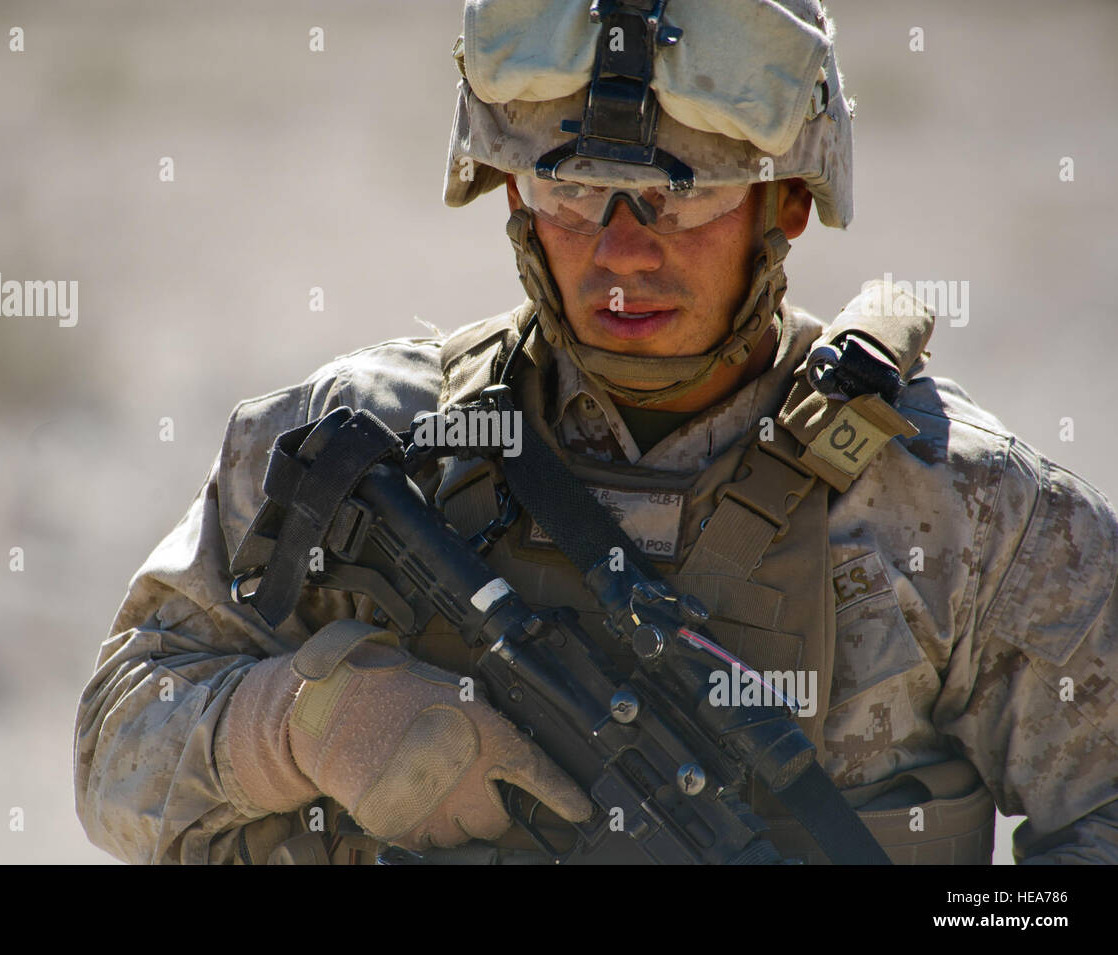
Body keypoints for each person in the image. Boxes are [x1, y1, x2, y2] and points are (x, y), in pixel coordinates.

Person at [74, 0, 1118, 864]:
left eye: (684, 194)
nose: (621, 251)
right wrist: (302, 727)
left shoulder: (967, 511)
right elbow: (115, 755)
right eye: (571, 191)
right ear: (513, 196)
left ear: (786, 203)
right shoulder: (364, 441)